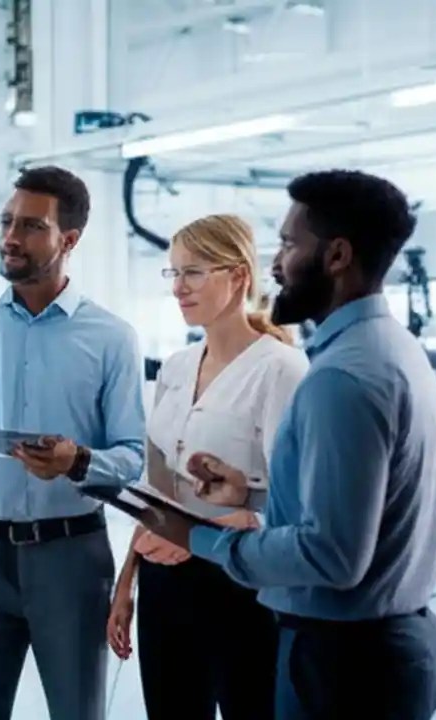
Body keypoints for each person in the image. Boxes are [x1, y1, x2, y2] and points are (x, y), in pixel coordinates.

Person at [135, 169, 436, 720]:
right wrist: (253, 494)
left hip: (346, 661)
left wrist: (200, 536)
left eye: (287, 243)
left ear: (336, 256)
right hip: (381, 642)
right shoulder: (390, 349)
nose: (276, 264)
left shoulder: (341, 376)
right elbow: (351, 513)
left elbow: (332, 555)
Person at [0, 165, 146, 720]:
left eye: (32, 226)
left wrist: (77, 460)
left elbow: (133, 457)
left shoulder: (111, 339)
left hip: (70, 557)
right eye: (7, 221)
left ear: (69, 240)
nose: (11, 236)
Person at [106, 214, 307, 720]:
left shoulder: (279, 370)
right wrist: (127, 580)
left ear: (238, 276)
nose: (178, 288)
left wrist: (223, 523)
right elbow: (157, 487)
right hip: (164, 583)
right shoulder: (175, 368)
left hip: (240, 583)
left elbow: (295, 502)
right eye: (173, 273)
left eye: (193, 272)